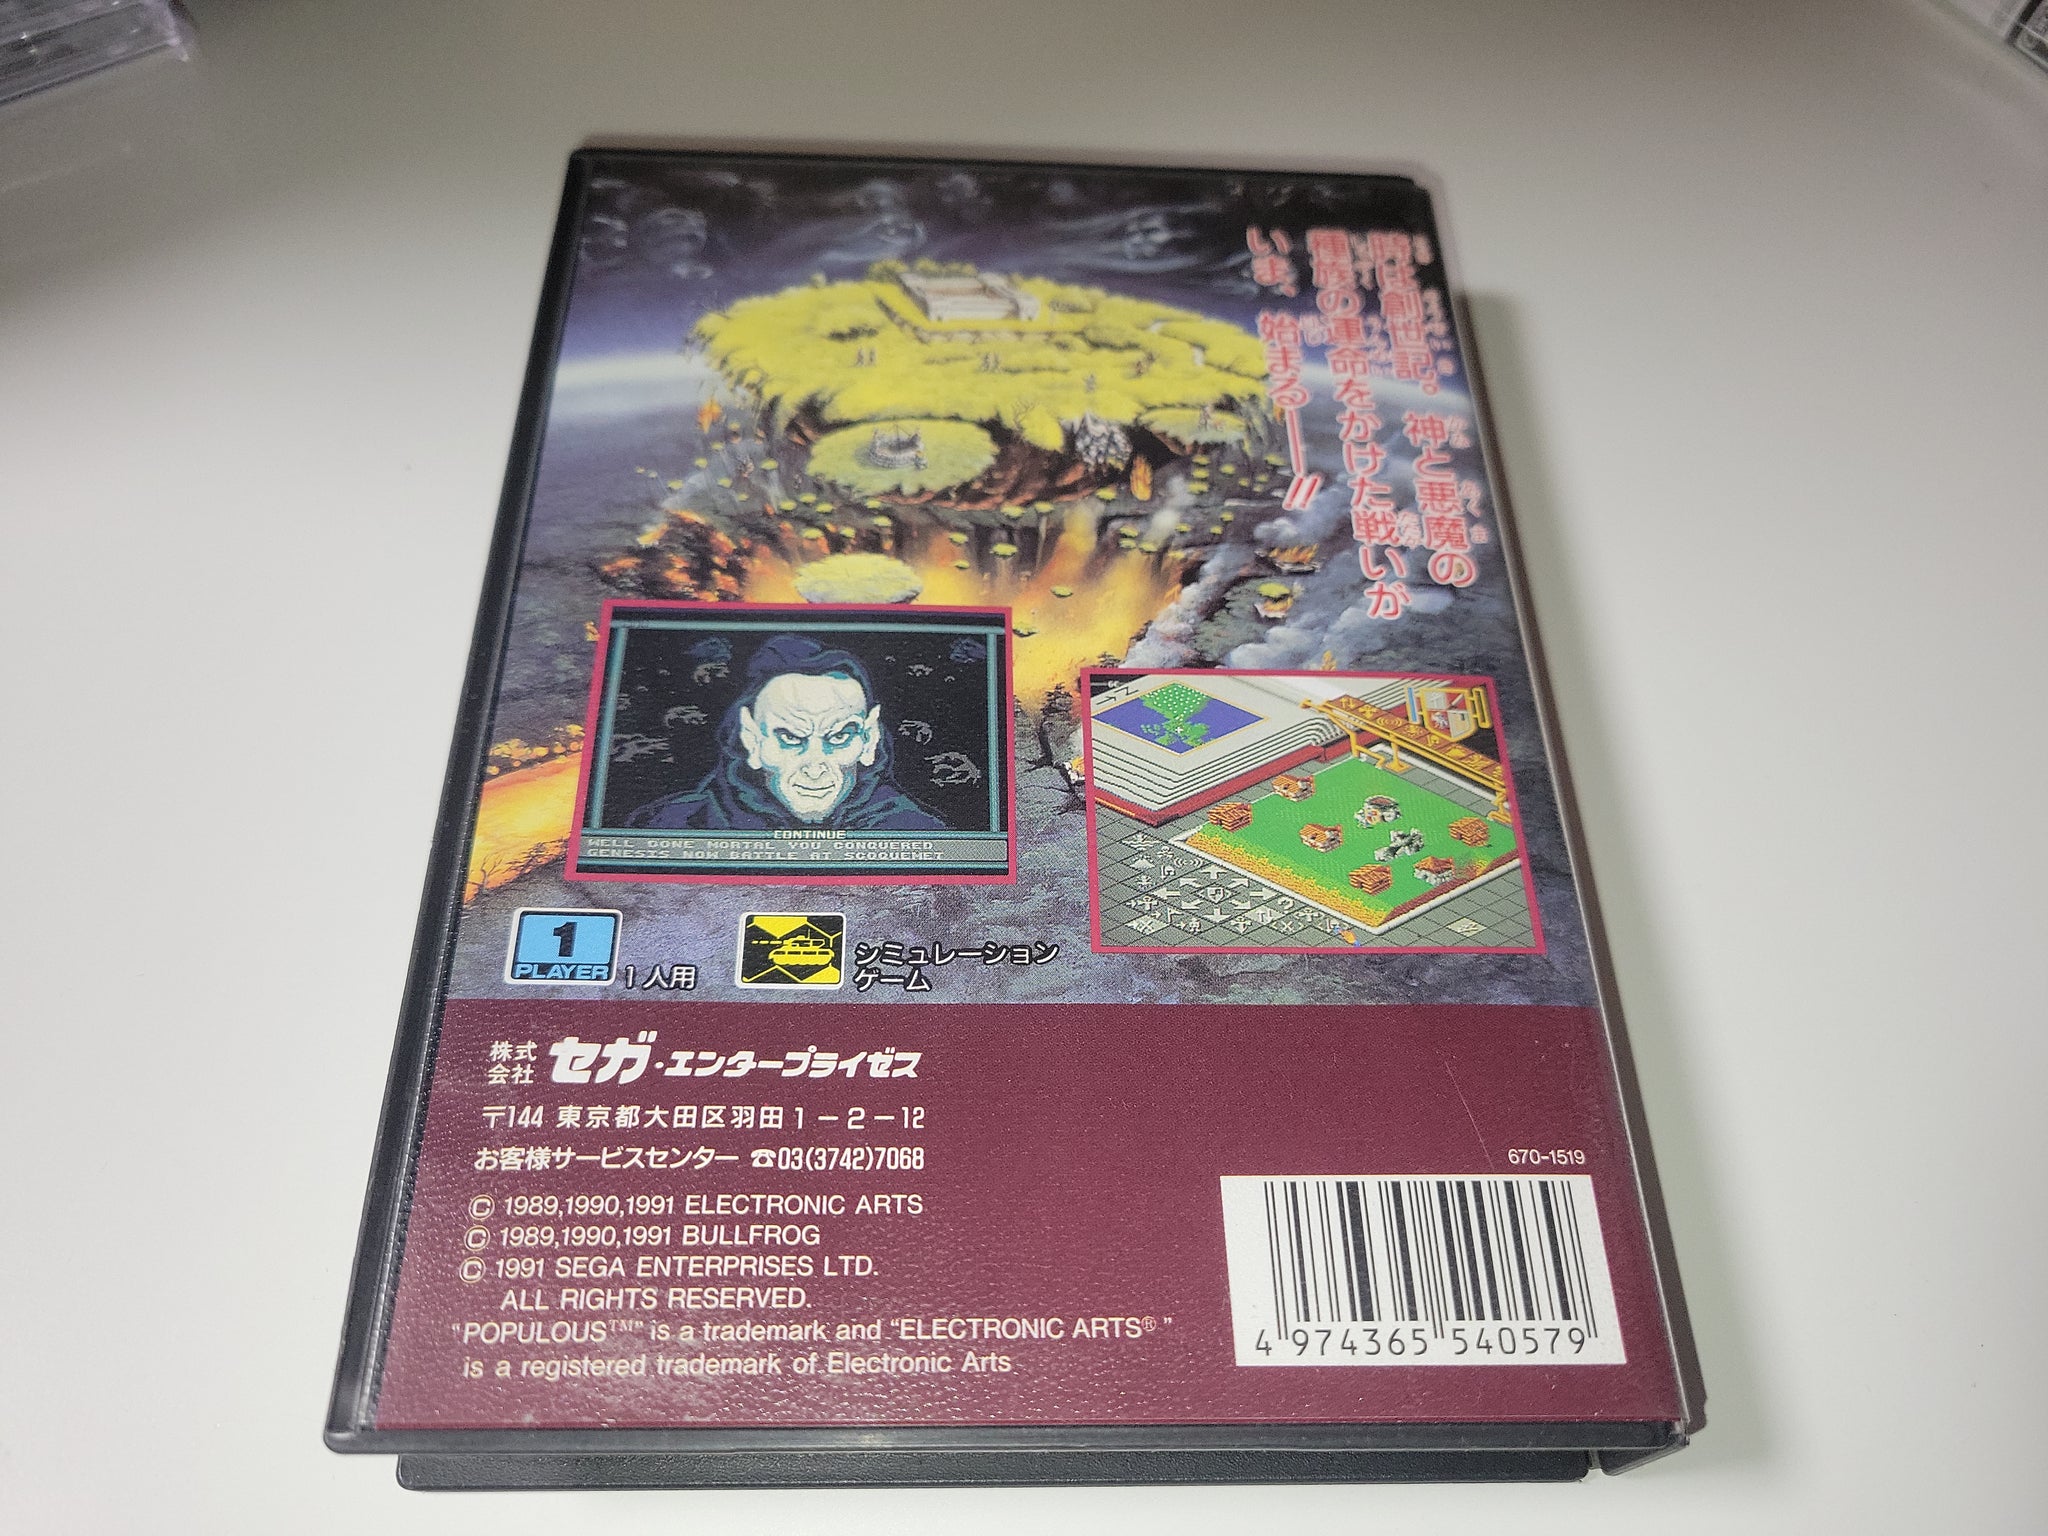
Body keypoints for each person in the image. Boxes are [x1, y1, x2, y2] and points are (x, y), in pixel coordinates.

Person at [626, 634, 944, 832]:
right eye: (791, 738)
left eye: (839, 737)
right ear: (752, 739)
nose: (815, 767)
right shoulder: (672, 824)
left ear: (869, 738)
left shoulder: (918, 832)